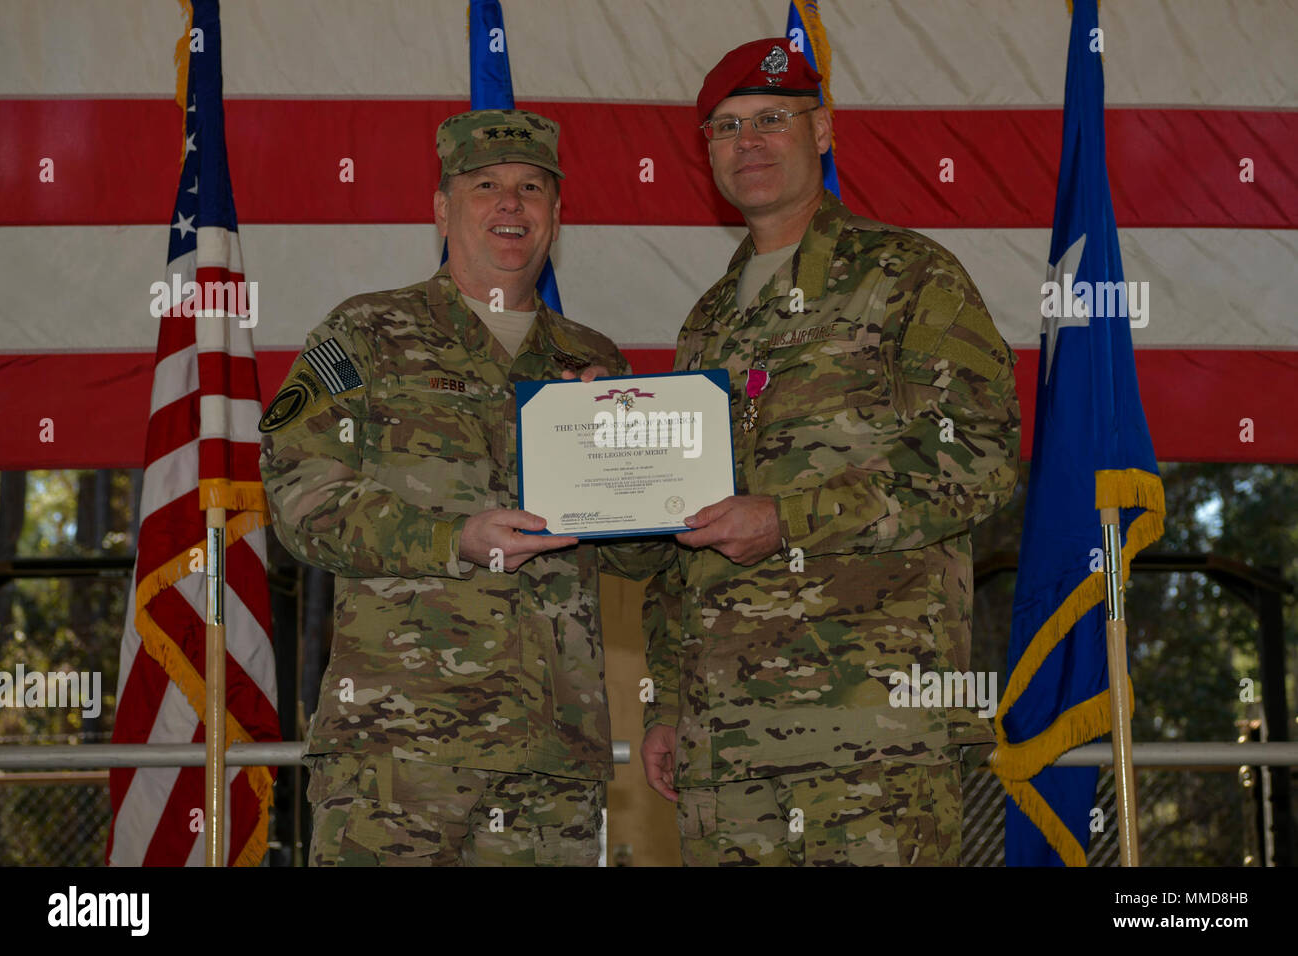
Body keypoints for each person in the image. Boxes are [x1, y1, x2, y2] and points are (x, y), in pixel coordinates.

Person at [639, 38, 1022, 866]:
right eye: (726, 127)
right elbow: (682, 527)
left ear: (822, 131)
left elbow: (980, 458)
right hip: (724, 740)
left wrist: (791, 518)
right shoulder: (706, 323)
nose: (749, 143)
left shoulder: (910, 277)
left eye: (772, 119)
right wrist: (666, 700)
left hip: (870, 731)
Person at [260, 108, 658, 866]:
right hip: (400, 761)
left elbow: (640, 559)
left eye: (532, 187)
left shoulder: (594, 362)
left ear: (556, 216)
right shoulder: (365, 334)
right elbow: (299, 499)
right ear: (442, 209)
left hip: (553, 764)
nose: (511, 204)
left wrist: (628, 457)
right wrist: (453, 540)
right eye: (485, 186)